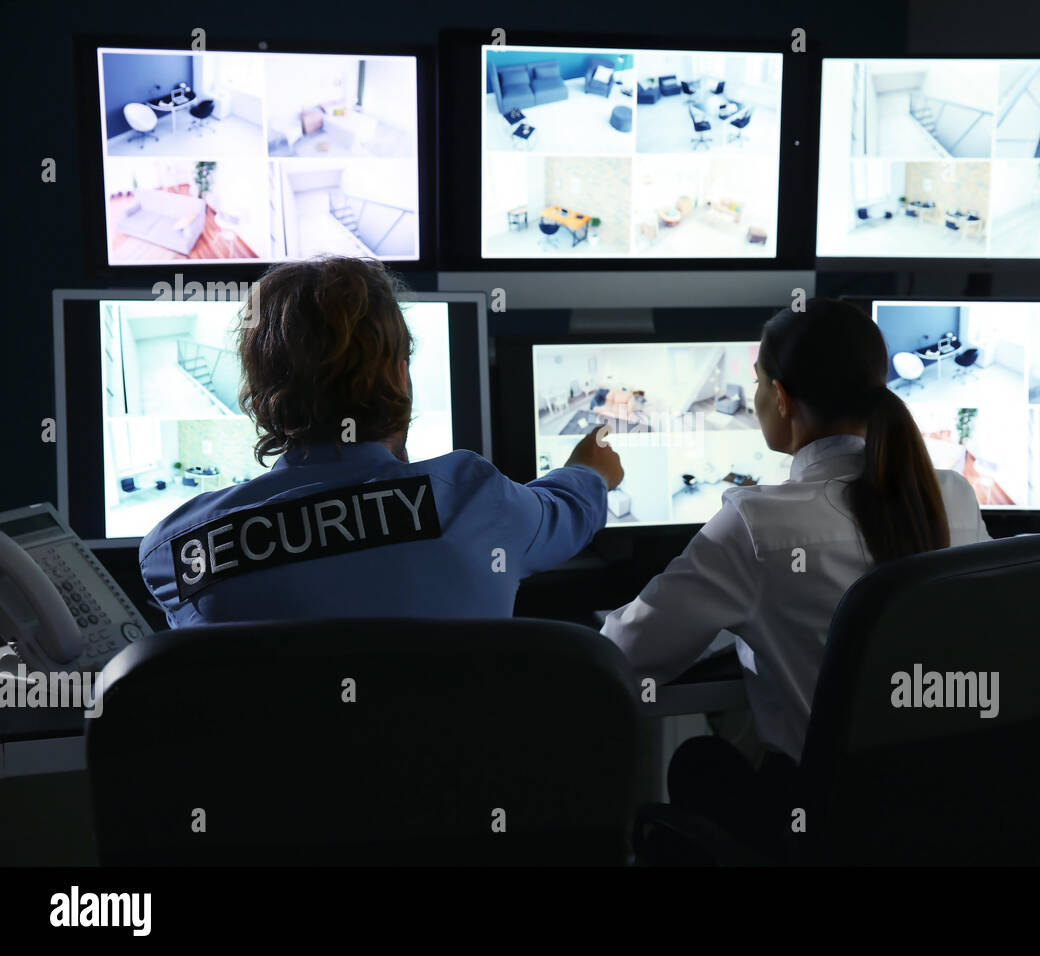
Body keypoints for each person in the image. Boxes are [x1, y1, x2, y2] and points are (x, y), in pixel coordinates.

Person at [600, 297, 989, 855]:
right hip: (950, 814)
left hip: (830, 828)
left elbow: (627, 653)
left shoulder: (756, 524)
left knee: (698, 763)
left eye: (758, 382)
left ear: (781, 398)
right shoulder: (951, 493)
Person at [139, 256, 622, 627]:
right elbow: (567, 512)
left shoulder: (177, 552)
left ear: (260, 388)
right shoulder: (477, 499)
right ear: (399, 372)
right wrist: (590, 470)